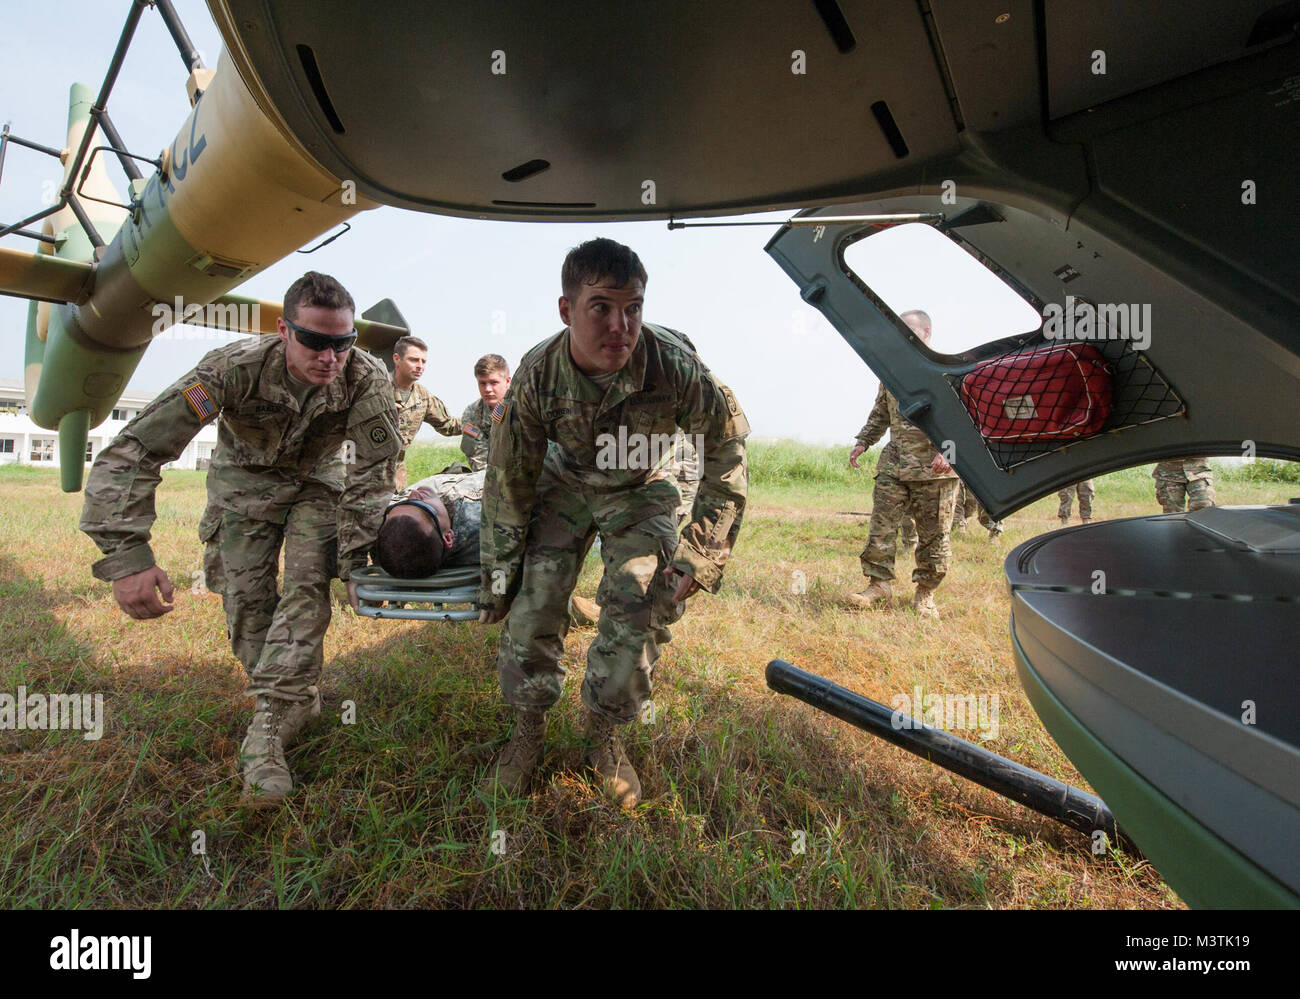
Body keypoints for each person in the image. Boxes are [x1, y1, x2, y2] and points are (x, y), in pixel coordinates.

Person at [80, 271, 401, 805]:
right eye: (316, 341)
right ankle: (295, 696)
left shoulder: (365, 377)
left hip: (318, 484)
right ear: (283, 330)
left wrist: (354, 558)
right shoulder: (232, 371)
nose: (331, 357)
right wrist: (126, 554)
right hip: (244, 485)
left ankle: (269, 729)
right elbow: (137, 449)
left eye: (342, 343)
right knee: (247, 602)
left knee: (305, 586)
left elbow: (374, 471)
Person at [478, 237, 749, 808]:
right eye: (601, 307)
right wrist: (499, 572)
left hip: (640, 486)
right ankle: (527, 732)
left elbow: (725, 451)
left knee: (642, 604)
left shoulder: (675, 366)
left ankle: (604, 733)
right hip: (566, 481)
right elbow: (508, 477)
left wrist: (701, 553)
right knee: (533, 603)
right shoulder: (537, 375)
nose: (620, 325)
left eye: (634, 308)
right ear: (566, 309)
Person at [846, 310, 959, 620]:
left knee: (933, 536)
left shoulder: (947, 370)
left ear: (926, 333)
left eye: (908, 330)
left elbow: (964, 419)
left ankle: (925, 594)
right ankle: (879, 585)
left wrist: (948, 450)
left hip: (935, 471)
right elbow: (881, 412)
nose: (900, 335)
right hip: (895, 465)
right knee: (881, 528)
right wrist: (863, 441)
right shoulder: (890, 370)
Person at [374, 468, 486, 576]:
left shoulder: (394, 530)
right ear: (448, 537)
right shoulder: (483, 520)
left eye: (405, 502)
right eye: (424, 506)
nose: (413, 493)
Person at [392, 335, 461, 491]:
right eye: (414, 360)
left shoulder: (422, 397)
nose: (420, 366)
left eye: (423, 361)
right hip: (362, 476)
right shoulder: (376, 388)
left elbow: (449, 425)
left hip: (396, 481)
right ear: (397, 359)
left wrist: (479, 416)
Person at [458, 354, 511, 473]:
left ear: (507, 382)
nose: (487, 389)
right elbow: (479, 459)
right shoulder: (472, 413)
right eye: (482, 383)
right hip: (493, 475)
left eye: (493, 383)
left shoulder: (525, 406)